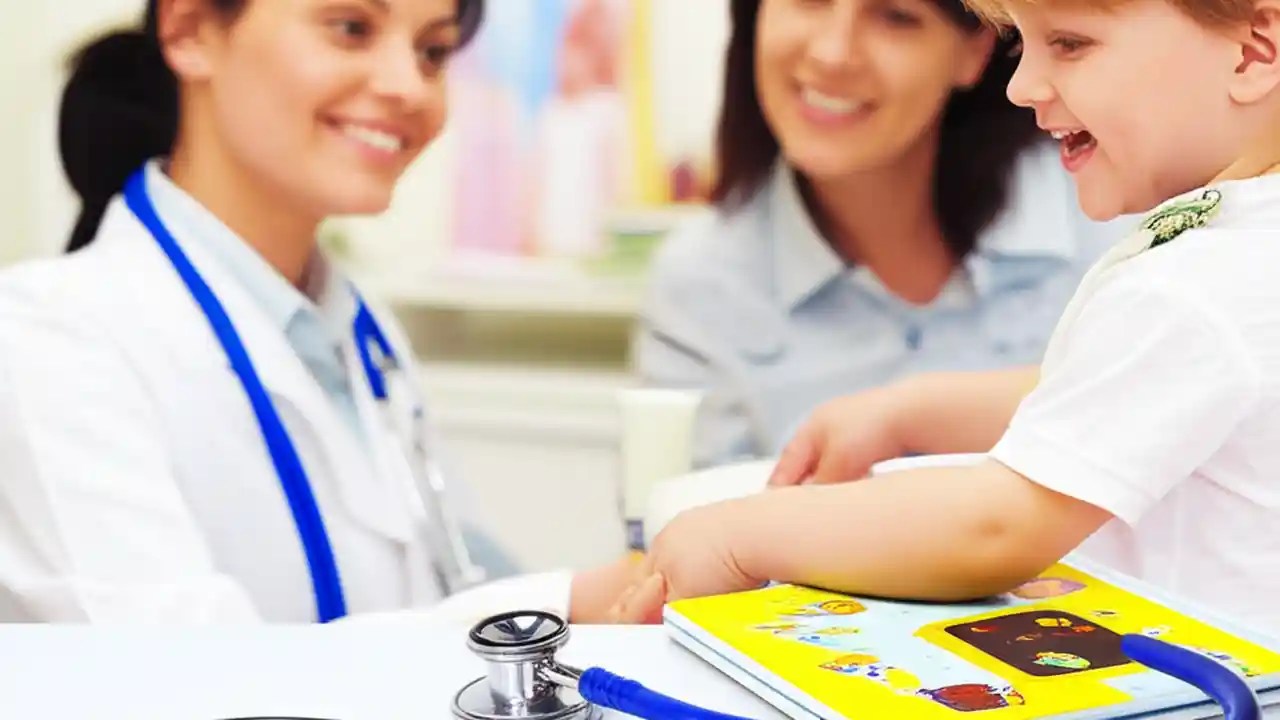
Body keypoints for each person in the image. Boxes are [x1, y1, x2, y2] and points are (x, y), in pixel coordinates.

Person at [612, 0, 1280, 638]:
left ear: (1254, 53)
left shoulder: (1183, 284)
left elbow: (995, 526)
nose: (1021, 86)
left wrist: (739, 535)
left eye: (1070, 44)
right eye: (1023, 44)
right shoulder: (1243, 253)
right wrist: (916, 410)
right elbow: (1134, 390)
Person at [0, 0, 638, 623]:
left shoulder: (361, 329)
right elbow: (179, 680)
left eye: (433, 51)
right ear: (191, 29)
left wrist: (624, 597)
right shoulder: (49, 338)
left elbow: (458, 573)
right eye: (352, 28)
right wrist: (573, 601)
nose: (408, 86)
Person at [632, 0, 1128, 469]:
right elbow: (688, 539)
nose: (833, 53)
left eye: (895, 16)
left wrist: (918, 418)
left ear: (976, 48)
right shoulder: (700, 284)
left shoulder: (1110, 220)